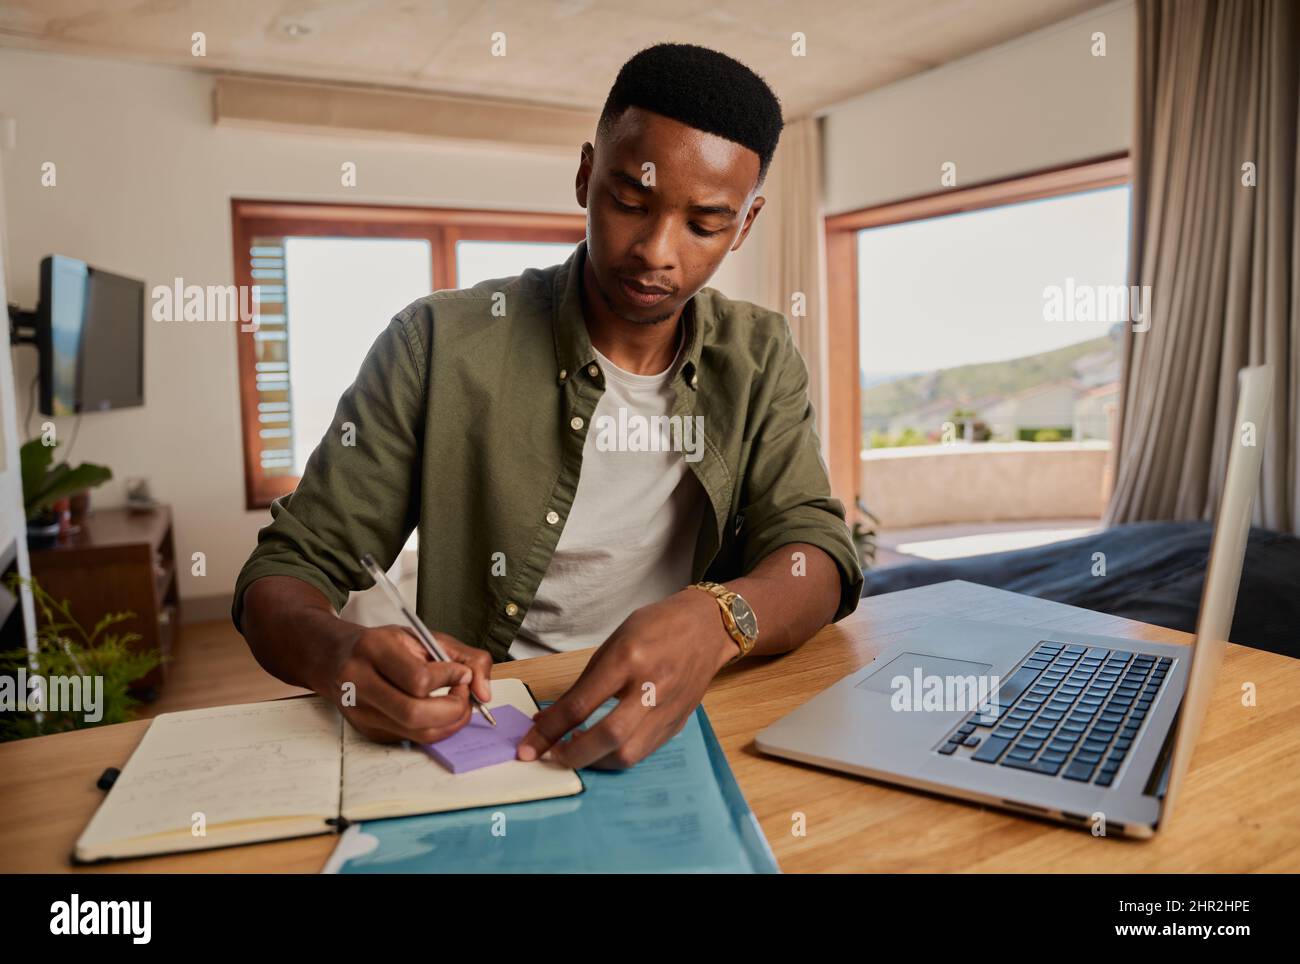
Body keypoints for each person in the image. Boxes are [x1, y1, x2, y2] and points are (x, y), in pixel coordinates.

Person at [233, 42, 862, 771]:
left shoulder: (759, 355)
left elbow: (816, 548)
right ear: (586, 175)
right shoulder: (435, 343)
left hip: (683, 718)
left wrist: (720, 618)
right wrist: (338, 653)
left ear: (745, 225)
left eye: (704, 224)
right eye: (630, 201)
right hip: (478, 735)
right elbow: (286, 570)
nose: (657, 250)